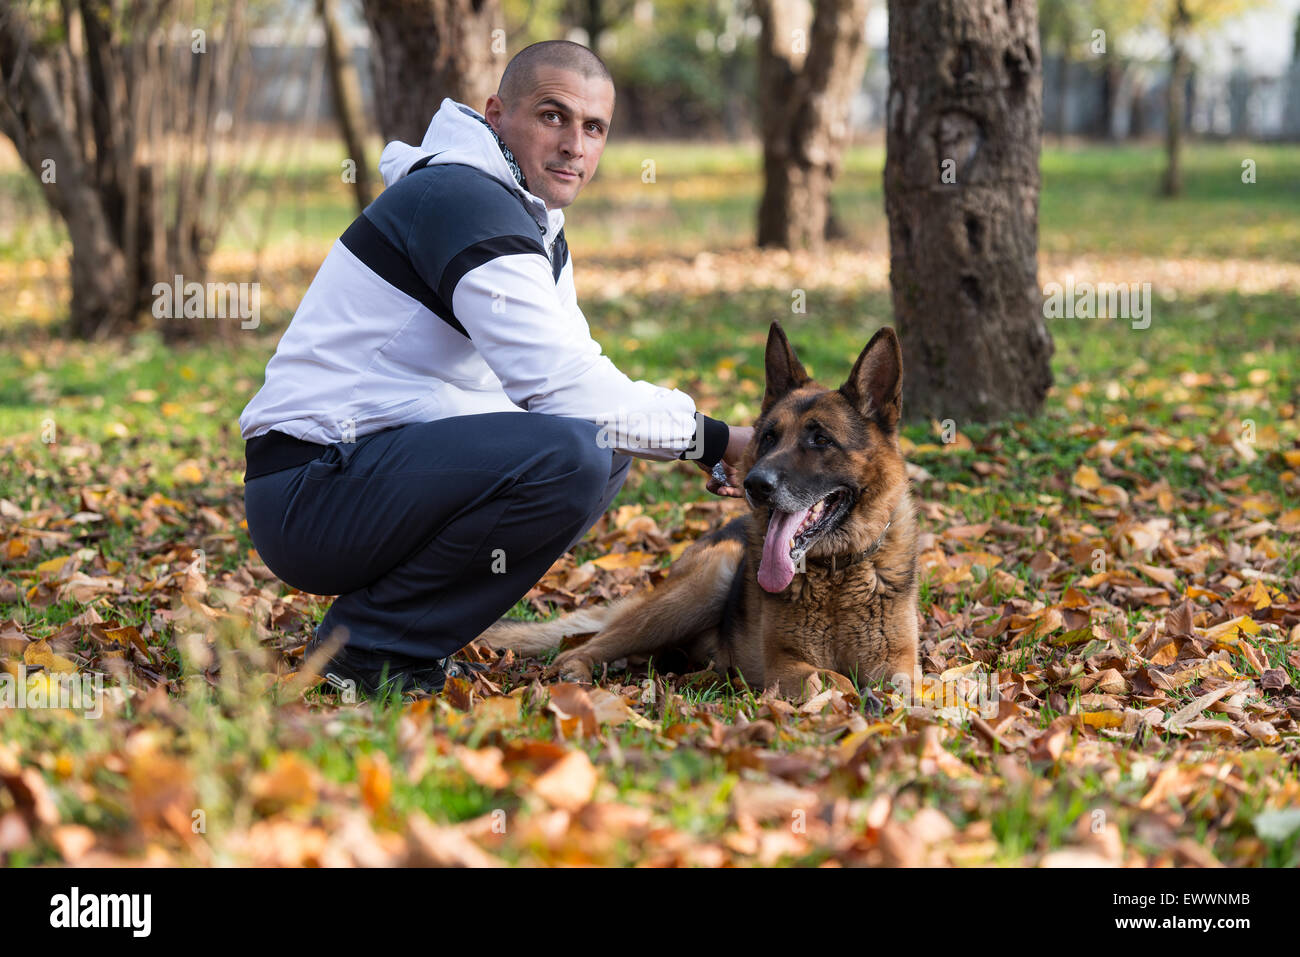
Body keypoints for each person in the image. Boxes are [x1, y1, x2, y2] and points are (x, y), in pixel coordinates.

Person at [239, 40, 751, 699]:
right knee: (576, 452)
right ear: (496, 115)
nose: (574, 144)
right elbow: (563, 389)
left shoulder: (530, 218)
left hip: (361, 473)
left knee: (603, 446)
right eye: (552, 116)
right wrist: (722, 439)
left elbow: (582, 378)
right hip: (310, 488)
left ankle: (407, 643)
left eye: (594, 128)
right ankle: (364, 651)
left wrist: (696, 439)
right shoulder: (464, 200)